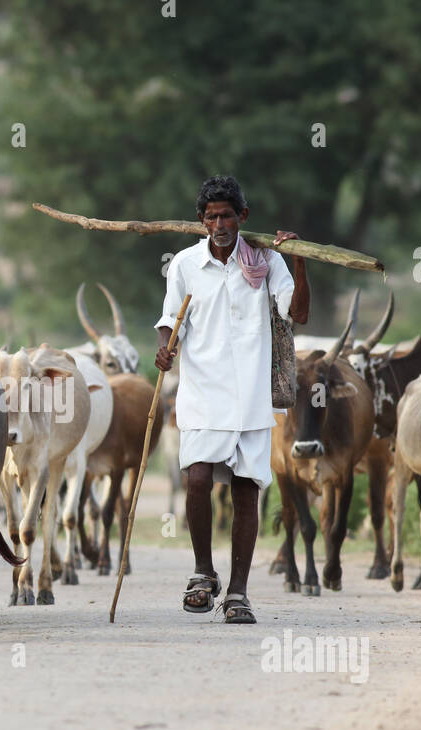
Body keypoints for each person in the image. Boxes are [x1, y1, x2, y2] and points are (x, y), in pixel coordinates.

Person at [155, 175, 311, 624]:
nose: (219, 223)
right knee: (198, 479)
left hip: (252, 399)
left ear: (243, 217)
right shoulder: (185, 264)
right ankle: (203, 573)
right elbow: (171, 318)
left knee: (247, 491)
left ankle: (238, 593)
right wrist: (166, 347)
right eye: (211, 216)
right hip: (202, 393)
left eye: (227, 215)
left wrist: (298, 262)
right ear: (201, 221)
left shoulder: (267, 261)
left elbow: (297, 312)